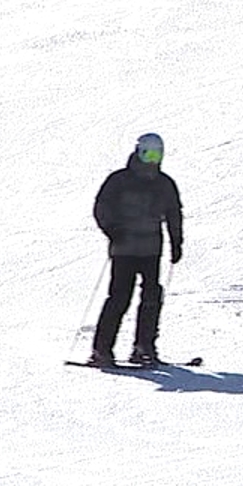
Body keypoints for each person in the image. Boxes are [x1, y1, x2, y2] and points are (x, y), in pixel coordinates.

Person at [89, 132, 184, 367]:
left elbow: (174, 213)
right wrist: (112, 230)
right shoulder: (120, 180)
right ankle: (102, 349)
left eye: (156, 155)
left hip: (151, 249)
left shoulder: (164, 184)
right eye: (148, 155)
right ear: (139, 153)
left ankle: (144, 347)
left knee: (152, 297)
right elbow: (102, 207)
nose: (152, 161)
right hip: (124, 249)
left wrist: (176, 242)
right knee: (120, 297)